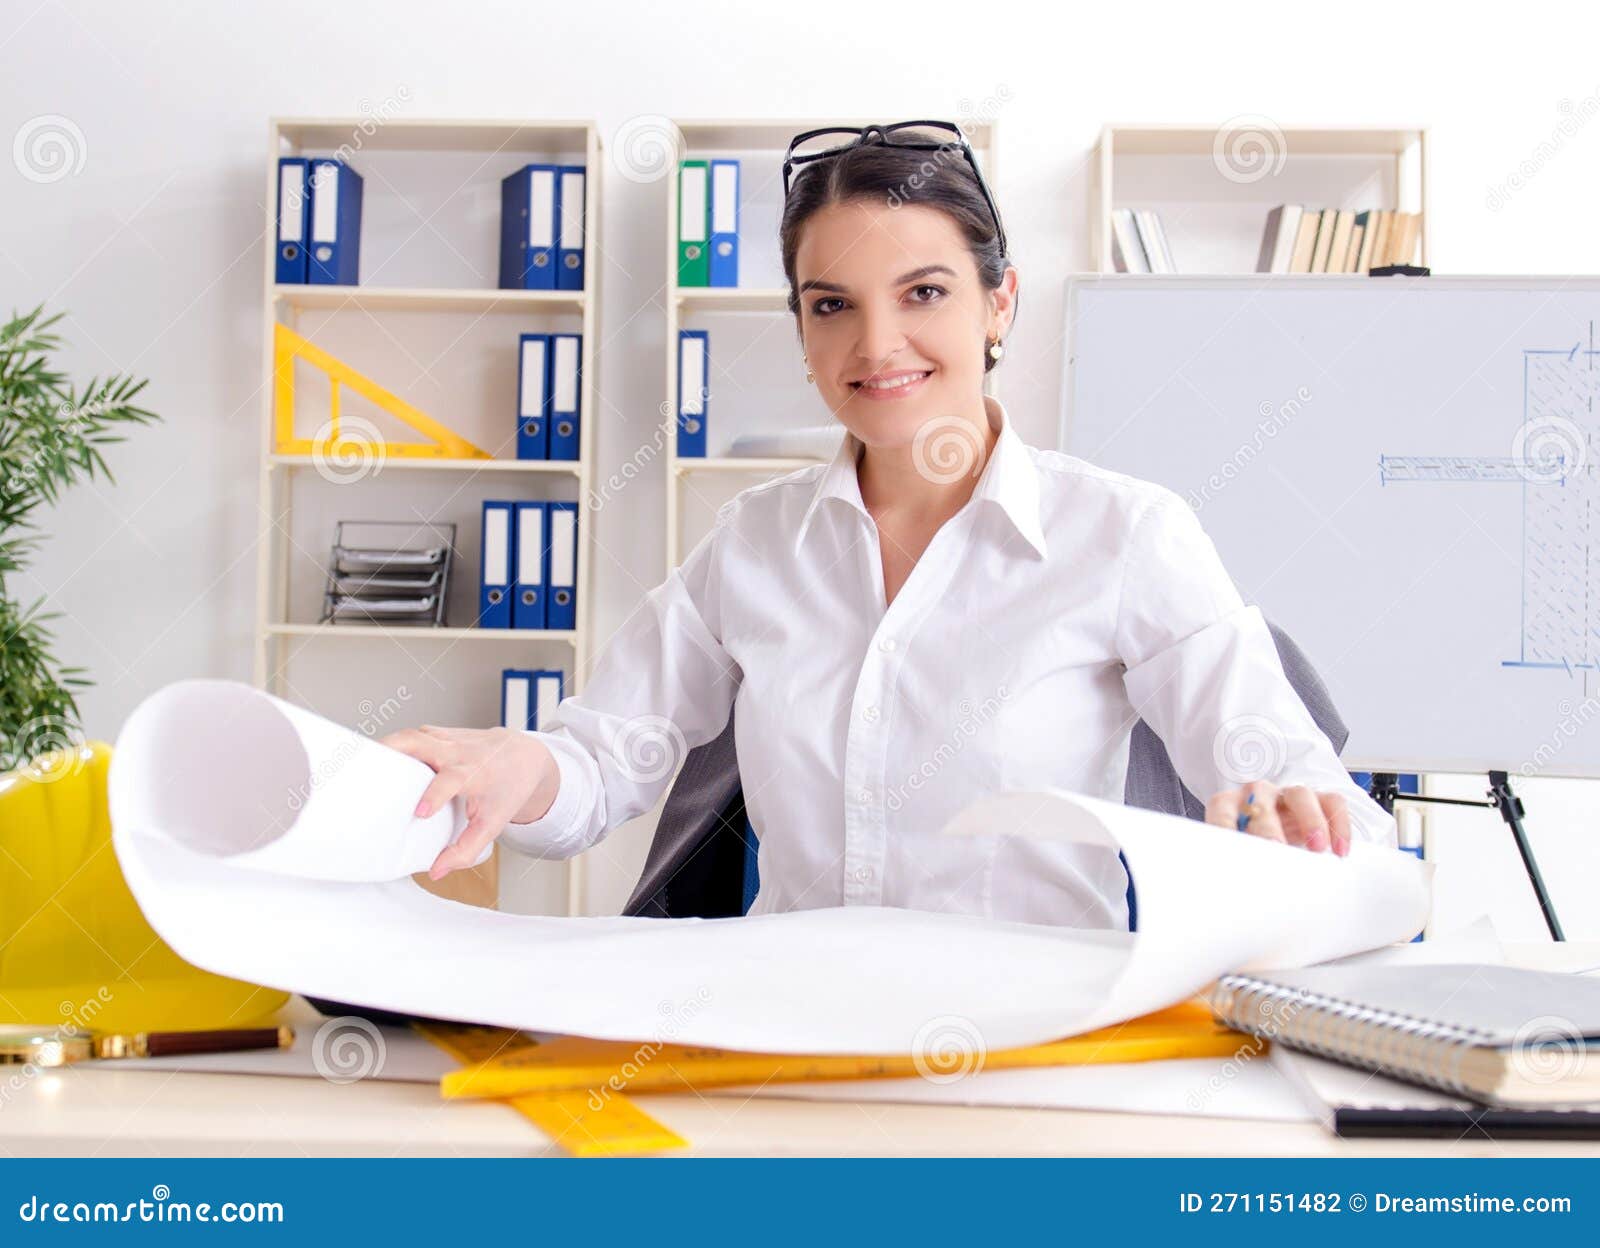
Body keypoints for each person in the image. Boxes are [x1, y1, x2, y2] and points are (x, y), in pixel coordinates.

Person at [381, 121, 1396, 928]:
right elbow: (604, 767)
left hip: (1027, 1060)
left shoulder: (1123, 536)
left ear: (999, 305)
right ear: (802, 332)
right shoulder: (753, 546)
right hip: (791, 1050)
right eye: (831, 306)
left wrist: (1293, 820)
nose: (876, 344)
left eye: (924, 293)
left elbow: (1295, 784)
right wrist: (521, 768)